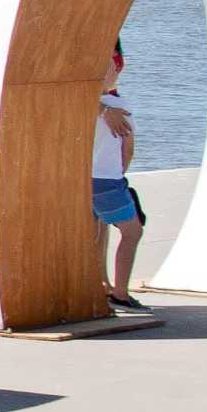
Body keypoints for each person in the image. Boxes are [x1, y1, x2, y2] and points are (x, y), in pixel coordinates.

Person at [93, 40, 147, 313]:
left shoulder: (103, 102)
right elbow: (128, 149)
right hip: (107, 180)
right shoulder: (115, 105)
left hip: (91, 178)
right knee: (132, 231)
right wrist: (120, 173)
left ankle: (101, 285)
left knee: (98, 228)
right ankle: (120, 294)